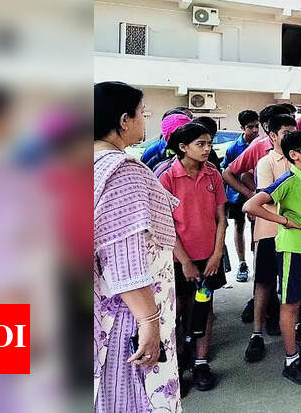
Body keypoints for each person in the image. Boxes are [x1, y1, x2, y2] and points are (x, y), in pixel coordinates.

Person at [94, 82, 181, 412]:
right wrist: (148, 321)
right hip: (122, 315)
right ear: (124, 120)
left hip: (97, 308)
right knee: (129, 396)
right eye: (142, 112)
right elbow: (123, 258)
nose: (145, 119)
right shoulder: (120, 172)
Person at [243, 131, 301, 385]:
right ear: (294, 155)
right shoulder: (287, 180)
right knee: (290, 304)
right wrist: (284, 221)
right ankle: (291, 360)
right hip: (293, 249)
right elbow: (251, 206)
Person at [159, 122, 228, 391]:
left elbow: (221, 218)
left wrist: (217, 253)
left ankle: (200, 362)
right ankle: (177, 363)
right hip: (178, 259)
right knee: (177, 309)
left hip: (209, 258)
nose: (207, 149)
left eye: (209, 143)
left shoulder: (213, 174)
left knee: (204, 307)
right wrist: (185, 262)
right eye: (201, 144)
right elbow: (165, 225)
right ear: (183, 147)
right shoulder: (167, 177)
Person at [222, 104, 295, 328]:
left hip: (294, 225)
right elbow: (230, 173)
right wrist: (253, 196)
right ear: (269, 129)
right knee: (265, 275)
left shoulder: (299, 149)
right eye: (284, 126)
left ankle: (287, 317)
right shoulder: (259, 147)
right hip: (267, 221)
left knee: (290, 275)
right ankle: (263, 319)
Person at [237, 114, 297, 364]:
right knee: (263, 282)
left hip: (296, 232)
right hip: (269, 230)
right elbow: (269, 196)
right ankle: (256, 333)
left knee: (291, 283)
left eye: (293, 131)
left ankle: (292, 330)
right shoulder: (266, 162)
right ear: (272, 136)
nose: (291, 137)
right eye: (286, 133)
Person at [225, 110, 261, 283]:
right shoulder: (233, 148)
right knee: (239, 226)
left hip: (258, 193)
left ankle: (257, 263)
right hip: (237, 195)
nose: (254, 130)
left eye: (257, 126)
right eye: (250, 127)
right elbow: (228, 172)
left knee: (257, 229)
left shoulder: (261, 144)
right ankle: (242, 263)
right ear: (242, 128)